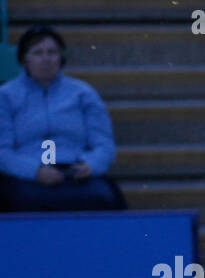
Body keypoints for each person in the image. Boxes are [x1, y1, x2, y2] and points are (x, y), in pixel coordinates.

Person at [0, 25, 125, 212]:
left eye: (52, 52)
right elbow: (3, 151)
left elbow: (104, 144)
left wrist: (91, 165)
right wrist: (35, 171)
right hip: (27, 175)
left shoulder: (84, 93)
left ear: (61, 57)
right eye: (38, 53)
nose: (46, 59)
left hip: (76, 173)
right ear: (24, 59)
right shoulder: (6, 96)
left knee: (103, 197)